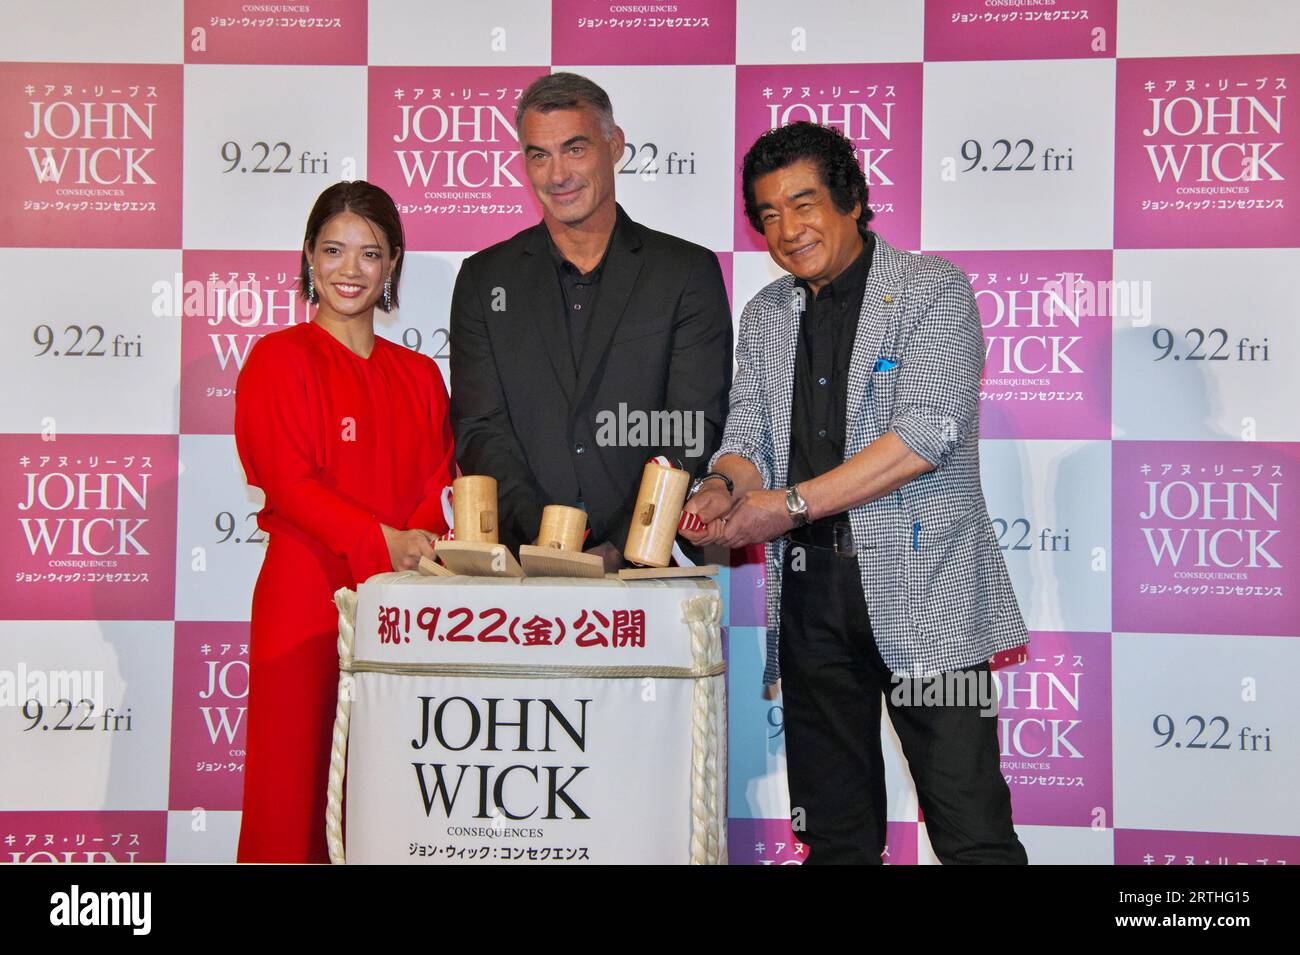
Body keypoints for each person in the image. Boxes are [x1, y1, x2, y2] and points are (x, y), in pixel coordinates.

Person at [682, 122, 1029, 864]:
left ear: (852, 200)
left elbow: (926, 434)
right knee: (835, 837)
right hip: (810, 599)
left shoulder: (933, 288)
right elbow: (749, 434)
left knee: (973, 833)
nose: (787, 228)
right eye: (768, 214)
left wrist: (788, 505)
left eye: (803, 204)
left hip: (925, 590)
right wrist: (722, 483)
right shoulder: (767, 314)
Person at [233, 181, 455, 863]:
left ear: (392, 266)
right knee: (291, 789)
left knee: (388, 788)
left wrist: (412, 543)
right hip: (303, 599)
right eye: (333, 250)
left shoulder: (420, 374)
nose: (349, 269)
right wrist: (382, 541)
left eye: (369, 253)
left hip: (400, 603)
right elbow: (287, 482)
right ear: (308, 256)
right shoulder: (277, 357)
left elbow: (439, 479)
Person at [450, 72, 732, 568]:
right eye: (539, 155)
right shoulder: (483, 278)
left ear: (615, 144)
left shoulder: (685, 272)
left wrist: (624, 543)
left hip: (648, 563)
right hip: (522, 564)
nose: (557, 175)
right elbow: (481, 428)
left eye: (575, 149)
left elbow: (692, 420)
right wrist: (551, 540)